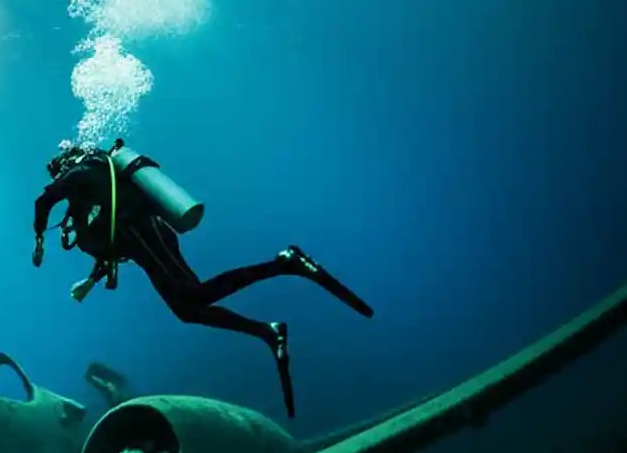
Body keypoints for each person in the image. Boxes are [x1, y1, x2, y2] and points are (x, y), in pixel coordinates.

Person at [31, 139, 373, 419]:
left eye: (55, 169)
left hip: (144, 234)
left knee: (193, 296)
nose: (55, 176)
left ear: (65, 161)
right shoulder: (88, 184)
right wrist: (92, 280)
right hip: (146, 238)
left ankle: (286, 263)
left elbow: (43, 201)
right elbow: (104, 237)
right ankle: (268, 331)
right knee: (188, 309)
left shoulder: (80, 171)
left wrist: (39, 240)